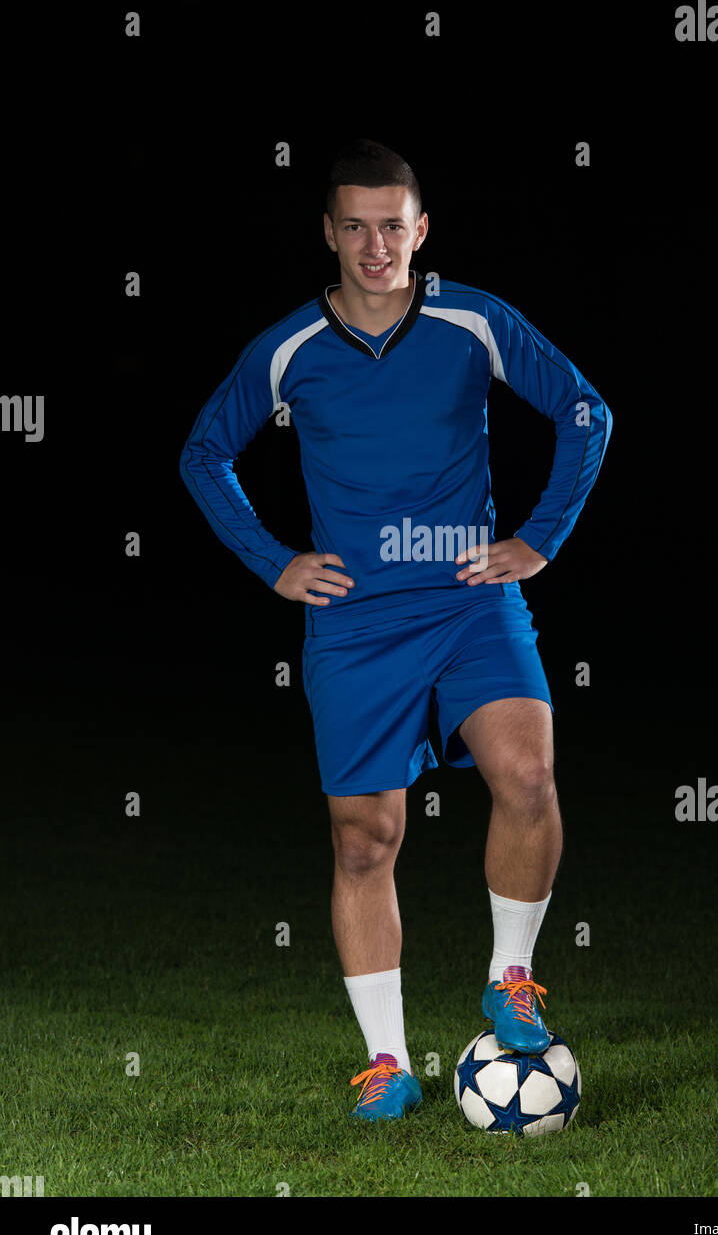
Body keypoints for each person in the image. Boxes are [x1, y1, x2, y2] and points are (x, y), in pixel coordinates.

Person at [179, 139, 612, 1120]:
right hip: (356, 624)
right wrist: (274, 559)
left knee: (530, 775)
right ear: (329, 234)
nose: (377, 245)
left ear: (421, 230)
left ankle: (510, 977)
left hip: (468, 599)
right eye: (357, 226)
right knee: (366, 838)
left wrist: (538, 537)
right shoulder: (289, 349)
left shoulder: (473, 321)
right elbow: (204, 454)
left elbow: (587, 411)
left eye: (394, 225)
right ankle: (387, 1060)